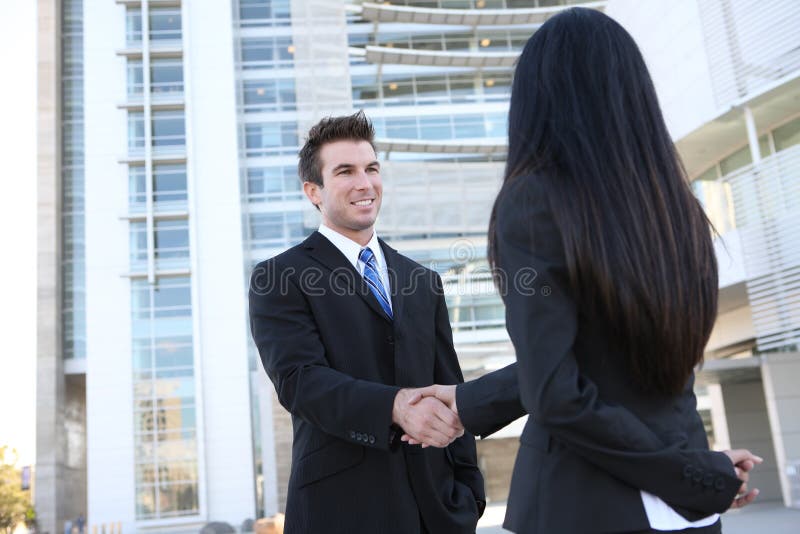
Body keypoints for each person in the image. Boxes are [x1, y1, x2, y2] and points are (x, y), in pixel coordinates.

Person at [403, 8, 762, 534]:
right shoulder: (677, 210)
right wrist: (697, 477)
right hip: (688, 510)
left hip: (582, 504)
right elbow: (598, 360)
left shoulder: (534, 200)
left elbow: (558, 394)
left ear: (538, 99)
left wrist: (692, 478)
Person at [248, 111, 485, 534]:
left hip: (437, 511)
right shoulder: (279, 276)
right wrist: (394, 406)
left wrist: (469, 491)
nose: (365, 183)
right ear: (313, 191)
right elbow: (300, 382)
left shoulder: (422, 280)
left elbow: (449, 383)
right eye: (345, 171)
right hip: (341, 510)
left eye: (371, 168)